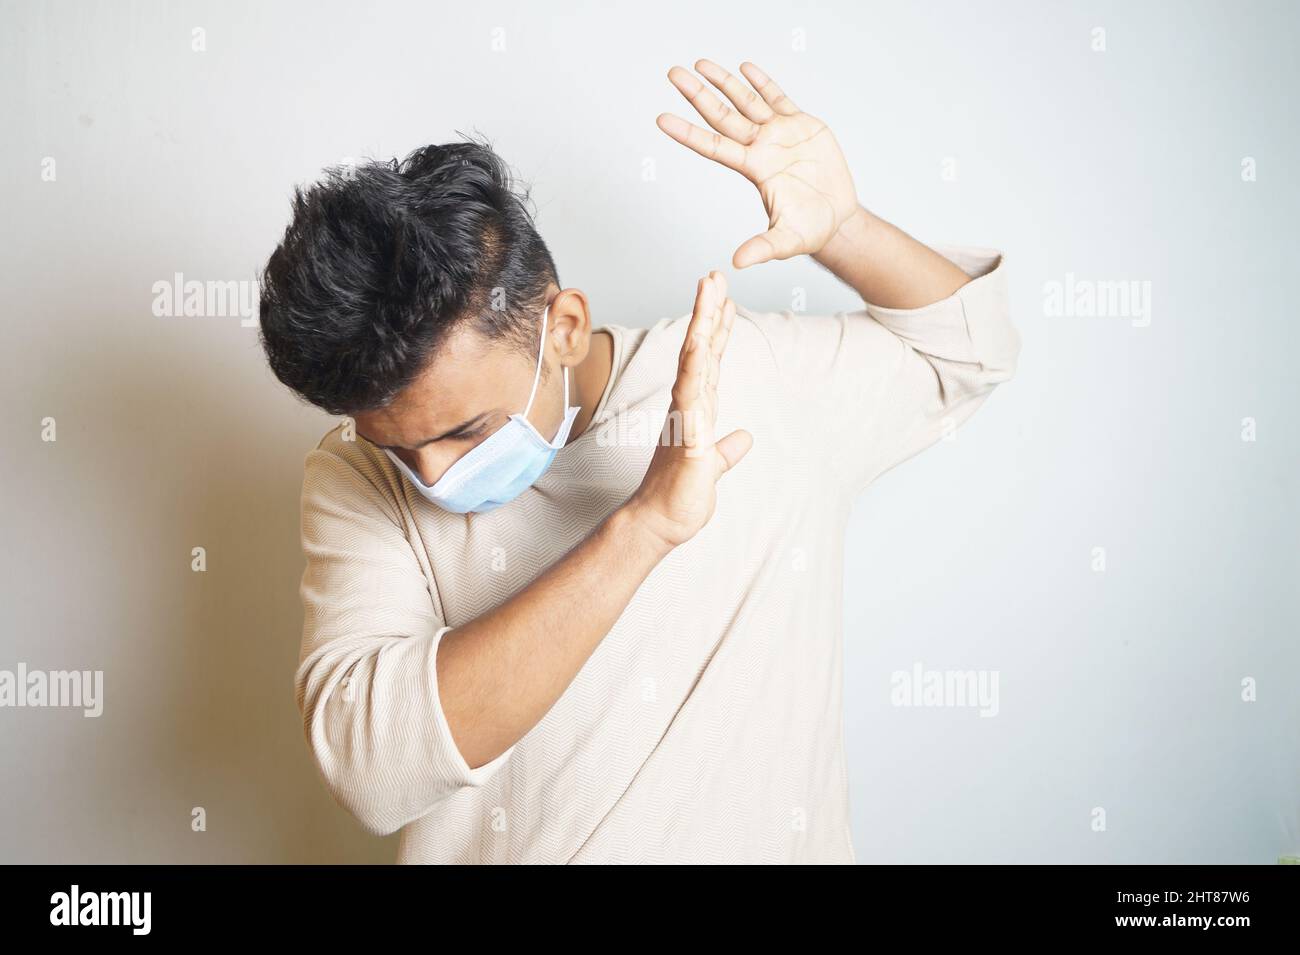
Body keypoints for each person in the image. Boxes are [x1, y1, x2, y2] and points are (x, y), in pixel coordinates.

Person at [257, 59, 1020, 864]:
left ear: (564, 328)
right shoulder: (355, 480)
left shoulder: (742, 376)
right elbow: (376, 770)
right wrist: (643, 528)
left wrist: (845, 229)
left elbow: (971, 351)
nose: (435, 478)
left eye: (464, 431)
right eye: (399, 444)